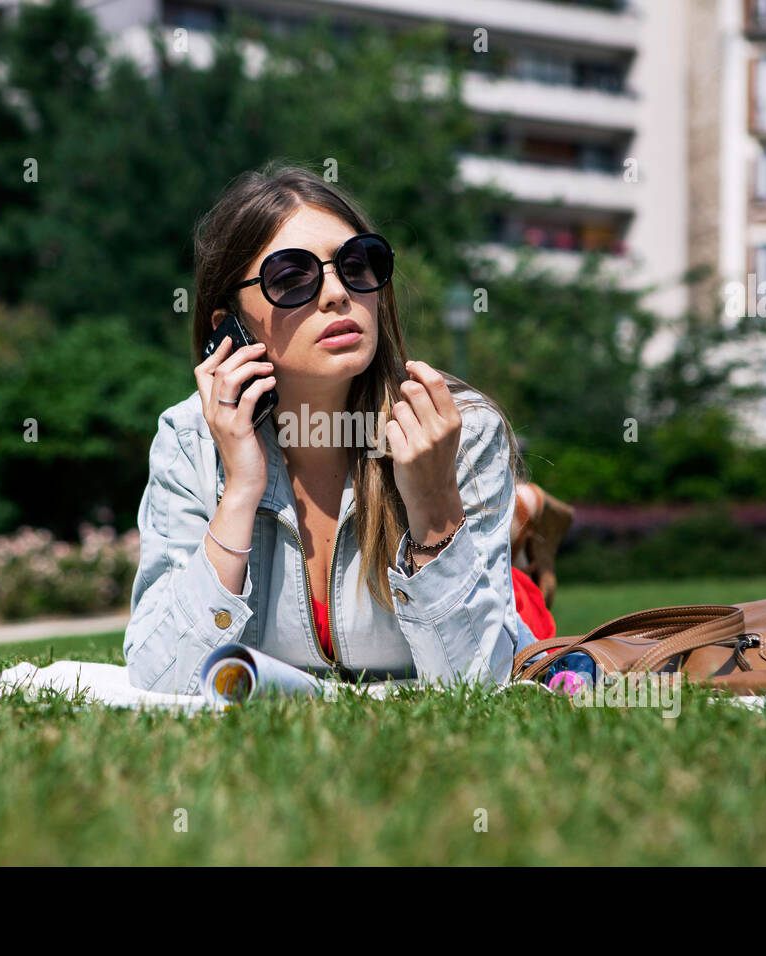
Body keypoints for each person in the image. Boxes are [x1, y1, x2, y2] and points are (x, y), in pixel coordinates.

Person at [123, 161, 557, 696]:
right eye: (290, 276)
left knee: (521, 609)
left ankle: (525, 526)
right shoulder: (189, 442)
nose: (335, 293)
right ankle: (524, 510)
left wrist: (435, 506)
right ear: (228, 328)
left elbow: (478, 686)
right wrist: (239, 492)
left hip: (496, 604)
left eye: (358, 264)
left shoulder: (457, 433)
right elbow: (161, 680)